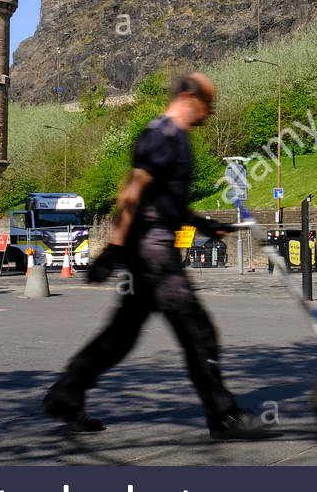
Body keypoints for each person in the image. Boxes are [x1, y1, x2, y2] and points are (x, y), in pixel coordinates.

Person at [43, 73, 263, 439]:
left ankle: (67, 395)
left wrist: (203, 225)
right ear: (191, 97)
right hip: (152, 254)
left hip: (152, 249)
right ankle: (223, 414)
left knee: (121, 336)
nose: (210, 114)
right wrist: (112, 250)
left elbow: (165, 202)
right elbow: (132, 193)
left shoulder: (177, 139)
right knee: (197, 330)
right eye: (208, 105)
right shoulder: (162, 135)